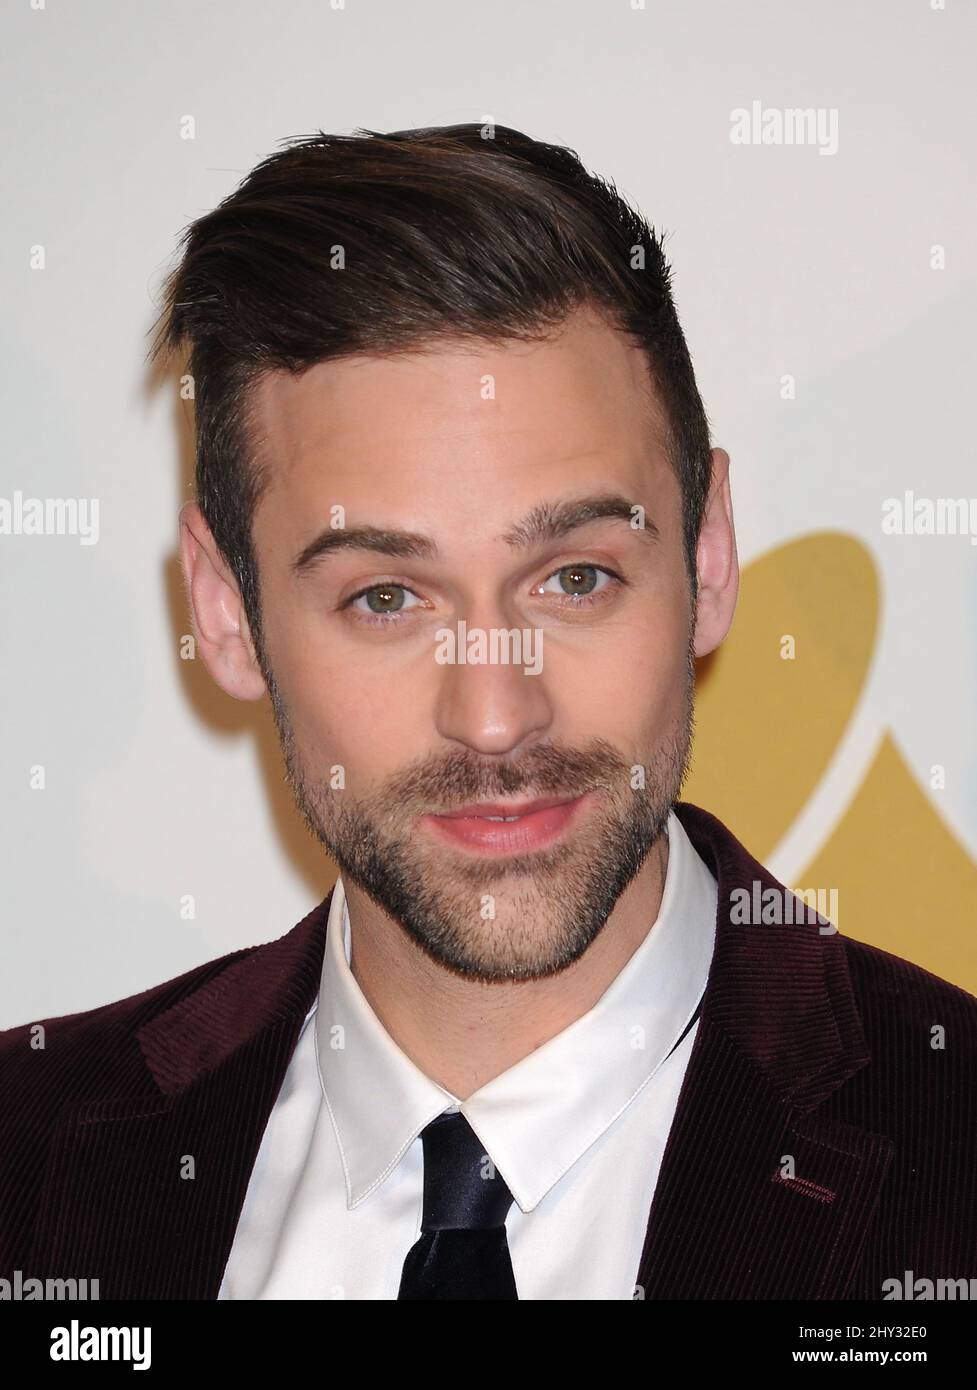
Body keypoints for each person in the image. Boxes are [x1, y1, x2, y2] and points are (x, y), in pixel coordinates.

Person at [1, 124, 974, 1301]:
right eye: (386, 597)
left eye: (574, 577)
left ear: (708, 557)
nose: (497, 714)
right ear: (224, 607)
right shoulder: (29, 1156)